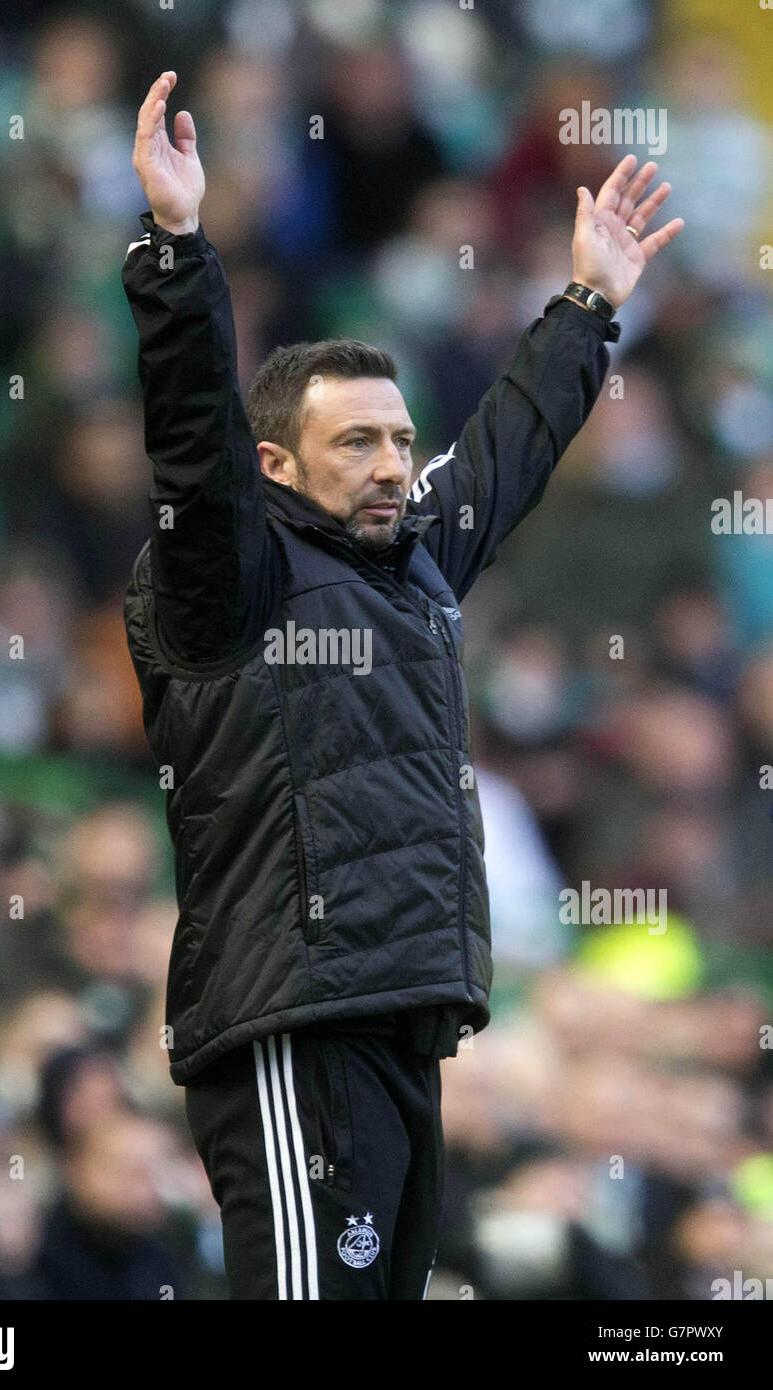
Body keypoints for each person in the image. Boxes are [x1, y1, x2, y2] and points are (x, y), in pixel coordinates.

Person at [121, 70, 683, 1300]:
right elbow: (189, 441)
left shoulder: (409, 556)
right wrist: (175, 250)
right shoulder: (225, 576)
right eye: (356, 443)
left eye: (397, 438)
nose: (392, 465)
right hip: (289, 1021)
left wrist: (587, 302)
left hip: (401, 1015)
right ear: (274, 465)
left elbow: (507, 448)